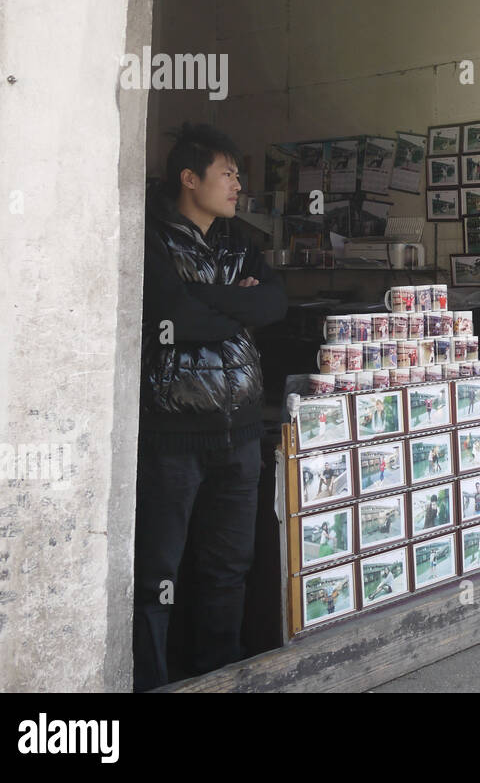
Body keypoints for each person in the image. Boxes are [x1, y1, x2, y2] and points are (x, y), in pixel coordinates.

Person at [135, 123, 287, 693]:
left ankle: (216, 676)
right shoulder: (150, 236)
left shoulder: (238, 240)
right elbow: (169, 320)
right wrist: (236, 306)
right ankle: (151, 680)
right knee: (158, 575)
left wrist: (210, 299)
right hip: (173, 433)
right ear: (190, 177)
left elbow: (275, 303)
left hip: (241, 432)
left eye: (238, 175)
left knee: (228, 568)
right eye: (227, 173)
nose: (237, 184)